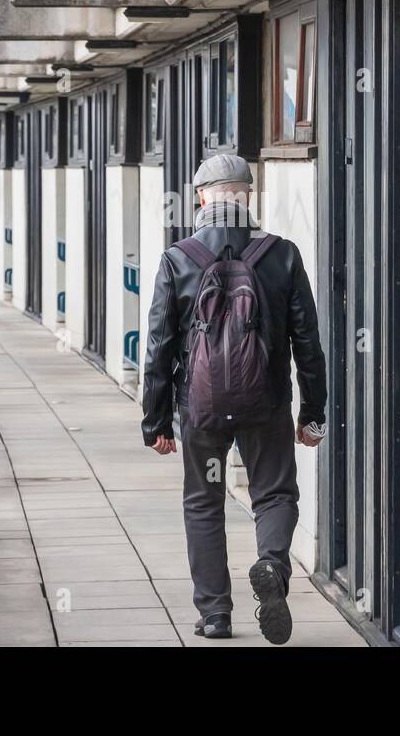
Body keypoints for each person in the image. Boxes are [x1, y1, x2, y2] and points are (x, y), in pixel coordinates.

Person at [141, 153, 327, 644]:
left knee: (204, 502)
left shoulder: (178, 258)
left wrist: (155, 421)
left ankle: (216, 616)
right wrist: (314, 415)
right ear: (248, 194)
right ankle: (270, 565)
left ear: (200, 197)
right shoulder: (281, 255)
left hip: (200, 410)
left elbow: (159, 347)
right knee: (275, 494)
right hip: (265, 404)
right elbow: (308, 342)